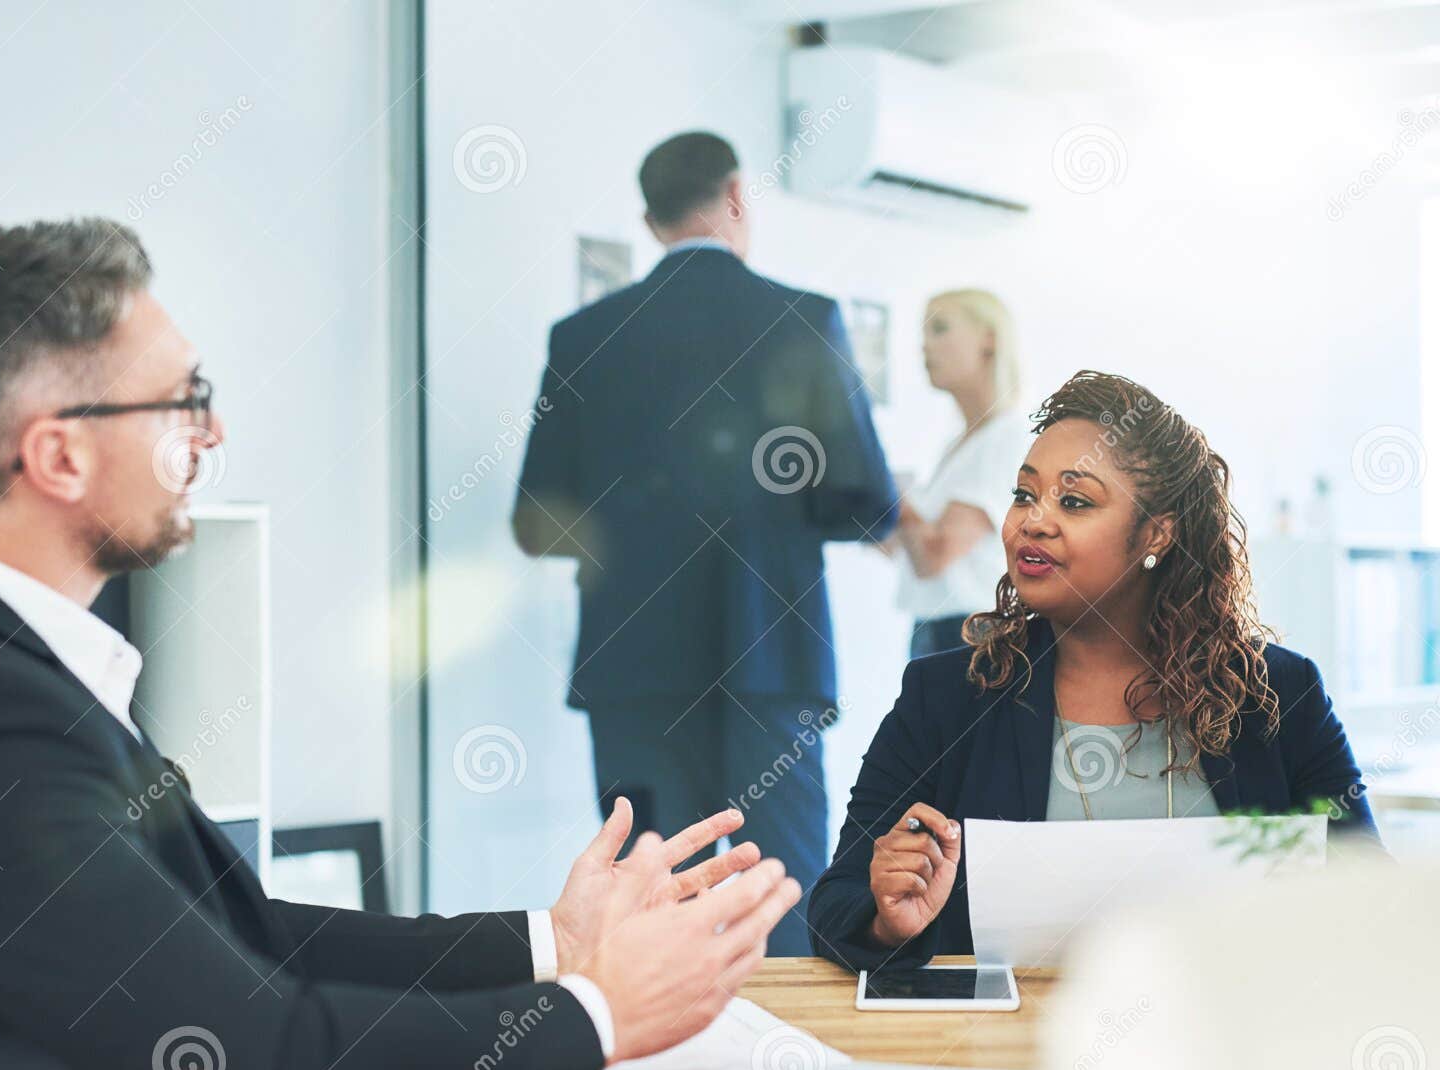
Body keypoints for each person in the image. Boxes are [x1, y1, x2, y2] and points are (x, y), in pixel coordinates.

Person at [0, 219, 800, 1070]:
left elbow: (249, 936)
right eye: (182, 399)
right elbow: (260, 1066)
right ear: (59, 458)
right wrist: (603, 1012)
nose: (211, 432)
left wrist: (557, 940)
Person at [807, 370, 1383, 972]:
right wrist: (884, 921)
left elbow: (1373, 897)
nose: (1032, 521)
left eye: (1075, 501)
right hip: (1001, 1056)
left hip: (1233, 1048)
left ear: (1154, 534)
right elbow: (835, 907)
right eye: (1024, 495)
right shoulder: (947, 696)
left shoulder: (1277, 694)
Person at [513, 132, 897, 954]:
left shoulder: (583, 338)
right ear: (734, 196)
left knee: (650, 901)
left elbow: (535, 522)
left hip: (633, 673)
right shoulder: (805, 319)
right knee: (780, 902)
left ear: (650, 219)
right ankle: (794, 1069)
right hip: (771, 662)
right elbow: (870, 504)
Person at [887, 289, 1031, 658]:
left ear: (988, 340)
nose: (924, 347)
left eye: (939, 329)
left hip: (969, 639)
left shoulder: (1006, 438)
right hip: (936, 633)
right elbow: (910, 548)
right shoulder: (959, 445)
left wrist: (891, 496)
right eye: (922, 334)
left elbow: (934, 555)